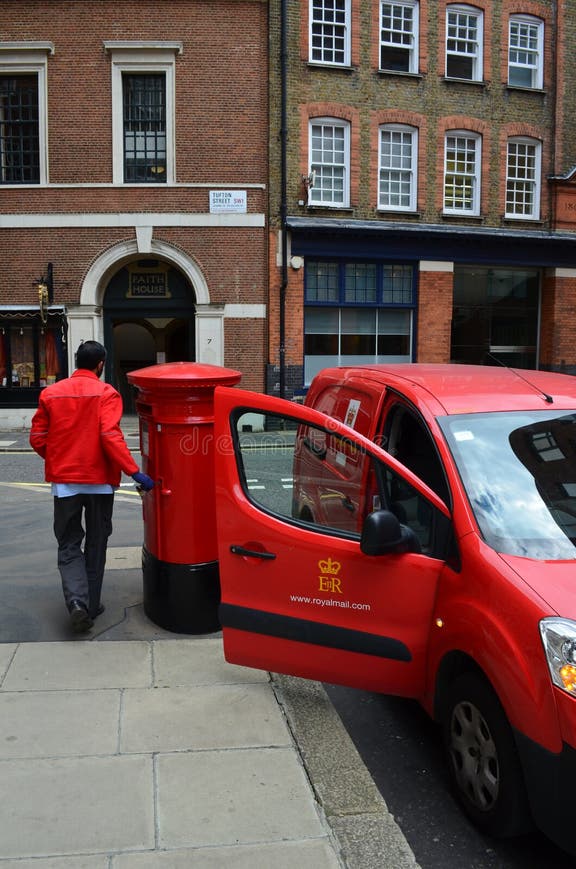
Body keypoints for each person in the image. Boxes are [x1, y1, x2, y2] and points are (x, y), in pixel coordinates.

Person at [30, 340, 154, 633]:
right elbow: (109, 435)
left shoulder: (51, 393)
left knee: (69, 542)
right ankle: (92, 604)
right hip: (99, 484)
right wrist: (135, 472)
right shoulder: (107, 393)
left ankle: (77, 602)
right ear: (101, 364)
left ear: (76, 362)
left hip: (65, 485)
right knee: (97, 542)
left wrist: (59, 457)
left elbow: (37, 438)